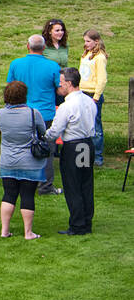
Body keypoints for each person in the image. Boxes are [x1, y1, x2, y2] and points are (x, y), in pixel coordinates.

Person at [7, 35, 62, 194]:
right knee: (47, 149)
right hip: (45, 114)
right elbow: (59, 89)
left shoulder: (16, 64)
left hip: (21, 112)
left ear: (27, 46)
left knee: (22, 147)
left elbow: (11, 86)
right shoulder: (52, 66)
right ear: (44, 48)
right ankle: (45, 186)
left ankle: (23, 182)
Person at [49, 68, 97, 235]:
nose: (59, 87)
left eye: (61, 83)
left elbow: (55, 132)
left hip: (73, 147)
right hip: (87, 145)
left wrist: (44, 136)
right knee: (86, 184)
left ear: (69, 84)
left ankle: (77, 225)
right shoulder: (89, 101)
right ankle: (86, 222)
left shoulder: (66, 106)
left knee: (72, 186)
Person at [0, 80, 46, 239]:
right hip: (29, 162)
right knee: (27, 195)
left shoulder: (1, 114)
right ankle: (28, 232)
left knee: (8, 194)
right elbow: (42, 132)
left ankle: (4, 230)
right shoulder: (33, 113)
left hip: (7, 161)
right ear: (24, 95)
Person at [78, 29, 107, 168]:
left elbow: (102, 79)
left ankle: (98, 157)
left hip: (92, 94)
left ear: (96, 41)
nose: (86, 43)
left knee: (95, 127)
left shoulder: (100, 57)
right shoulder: (86, 54)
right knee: (83, 125)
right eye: (85, 41)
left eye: (88, 41)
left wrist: (96, 96)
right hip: (83, 92)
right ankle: (85, 155)